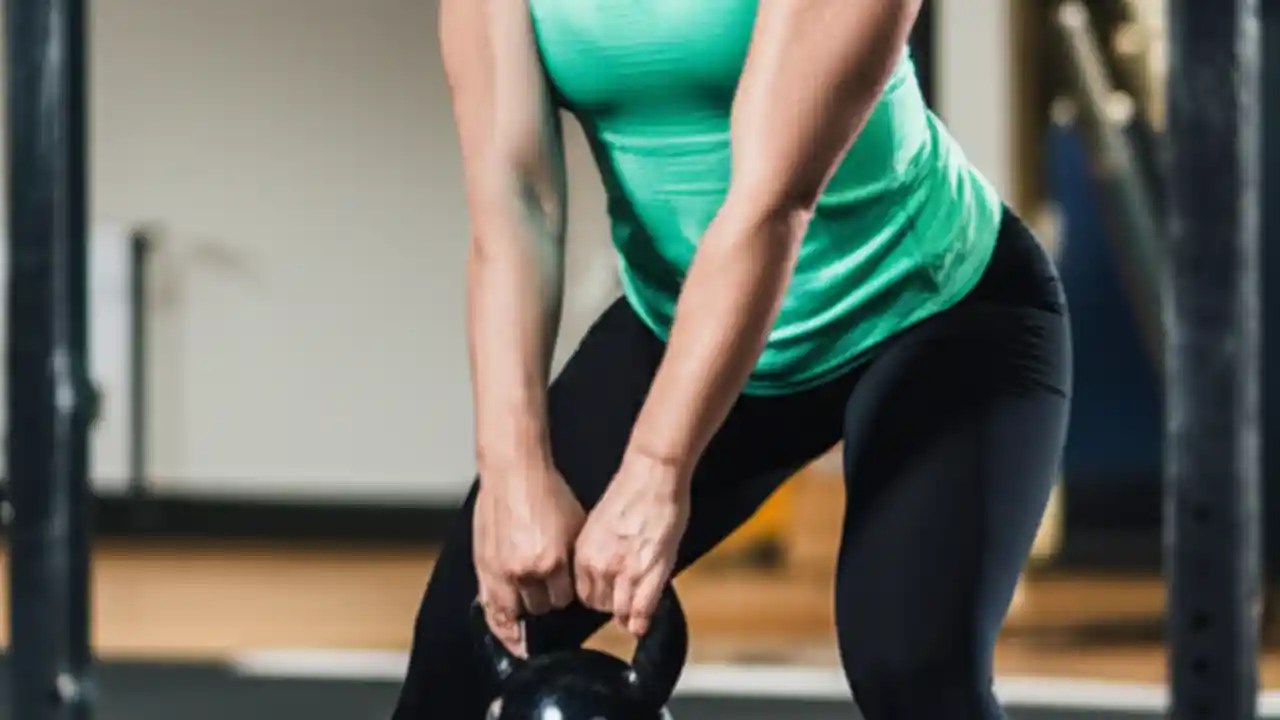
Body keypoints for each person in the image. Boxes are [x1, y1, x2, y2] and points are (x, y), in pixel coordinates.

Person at [393, 0, 1071, 717]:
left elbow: (770, 203)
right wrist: (512, 471)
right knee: (469, 643)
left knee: (911, 671)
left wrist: (657, 469)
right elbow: (515, 200)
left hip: (934, 311)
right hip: (688, 317)